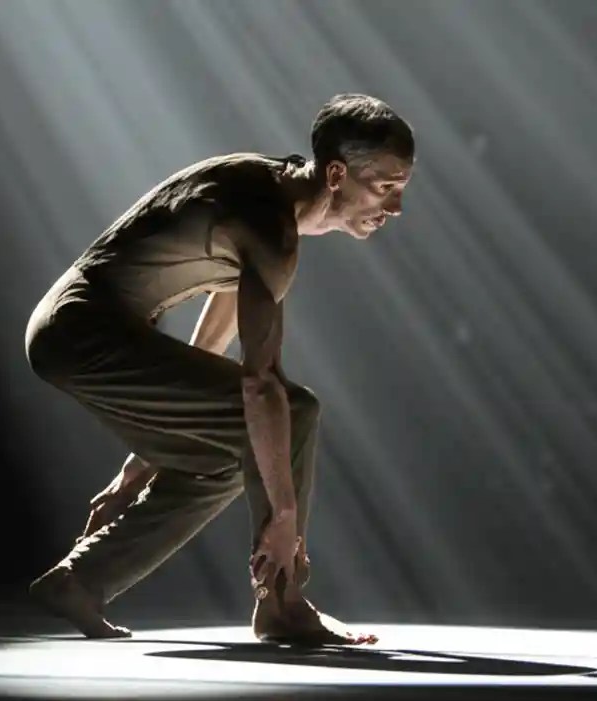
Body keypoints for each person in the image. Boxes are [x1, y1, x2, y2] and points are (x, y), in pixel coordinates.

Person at [25, 93, 414, 645]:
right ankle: (283, 605)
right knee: (294, 413)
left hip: (75, 333)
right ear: (335, 174)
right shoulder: (269, 228)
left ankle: (81, 580)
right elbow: (261, 385)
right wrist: (284, 517)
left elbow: (210, 351)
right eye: (386, 186)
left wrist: (142, 460)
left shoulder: (264, 192)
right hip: (81, 331)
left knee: (230, 458)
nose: (395, 206)